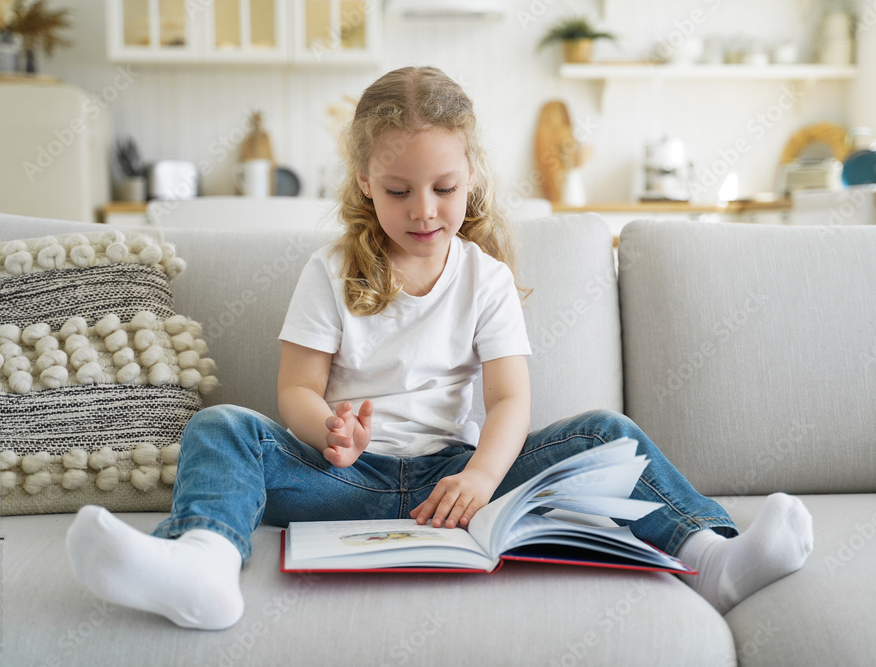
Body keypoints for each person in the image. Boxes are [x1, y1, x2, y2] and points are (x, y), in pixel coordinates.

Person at [65, 66, 813, 631]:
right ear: (364, 181)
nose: (424, 210)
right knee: (223, 425)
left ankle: (713, 557)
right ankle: (204, 563)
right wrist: (326, 427)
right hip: (342, 481)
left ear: (472, 178)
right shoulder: (331, 271)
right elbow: (295, 385)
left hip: (458, 479)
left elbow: (511, 399)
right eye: (398, 191)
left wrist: (484, 475)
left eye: (444, 188)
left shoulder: (485, 278)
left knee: (606, 433)